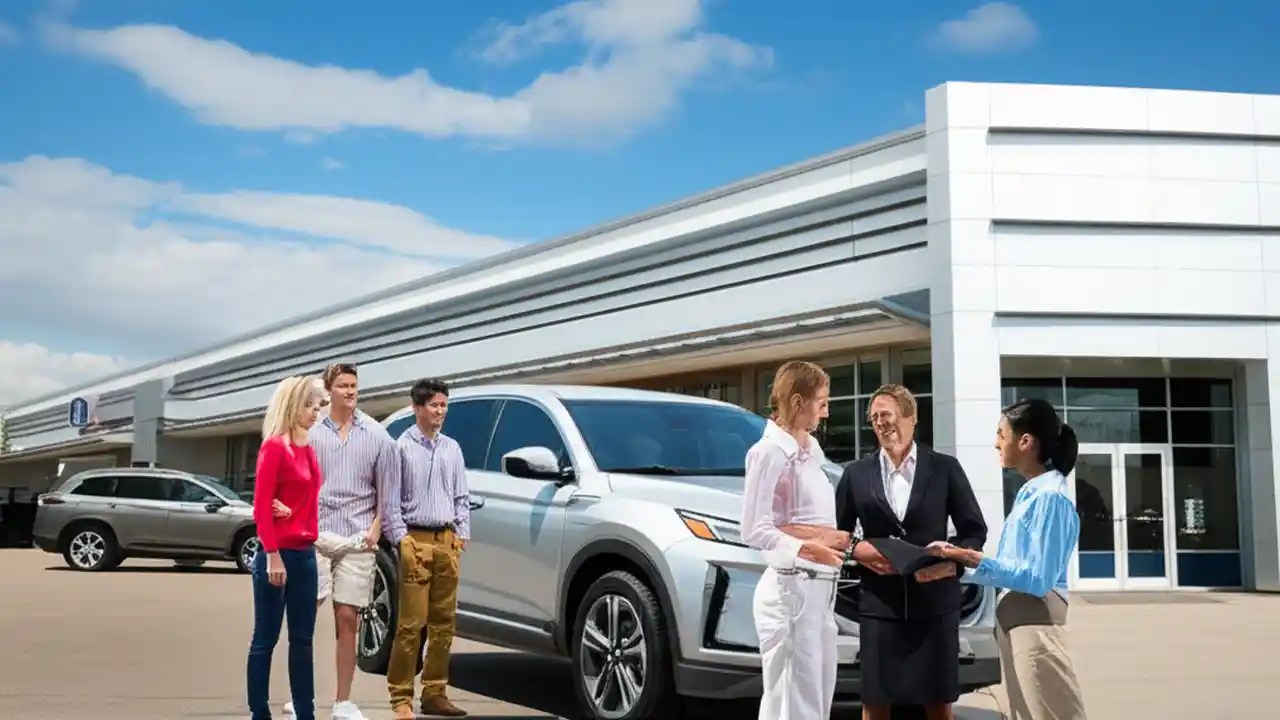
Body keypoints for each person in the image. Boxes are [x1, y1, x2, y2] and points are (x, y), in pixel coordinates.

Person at [927, 398, 1088, 720]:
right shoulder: (1032, 494)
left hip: (1035, 625)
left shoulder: (1050, 499)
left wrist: (970, 558)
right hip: (1020, 624)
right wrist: (958, 568)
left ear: (1026, 441)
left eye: (1001, 434)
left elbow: (1037, 578)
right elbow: (1012, 568)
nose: (996, 443)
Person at [835, 384, 987, 720]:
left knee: (938, 705)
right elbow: (837, 536)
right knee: (875, 703)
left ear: (910, 417)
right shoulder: (856, 474)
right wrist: (857, 551)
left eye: (885, 415)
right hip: (879, 607)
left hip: (934, 606)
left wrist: (953, 564)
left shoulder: (945, 468)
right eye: (874, 418)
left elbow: (974, 531)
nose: (879, 423)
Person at [283, 363, 399, 720]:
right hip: (314, 535)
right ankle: (300, 697)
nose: (350, 391)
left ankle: (343, 702)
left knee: (348, 618)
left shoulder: (377, 435)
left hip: (357, 538)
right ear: (328, 389)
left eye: (354, 385)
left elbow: (387, 490)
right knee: (304, 615)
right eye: (343, 385)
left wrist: (377, 528)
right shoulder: (309, 430)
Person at [742, 361, 850, 720]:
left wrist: (827, 538)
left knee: (815, 704)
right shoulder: (768, 453)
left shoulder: (810, 454)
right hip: (790, 594)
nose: (826, 411)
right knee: (792, 706)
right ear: (798, 401)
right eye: (822, 402)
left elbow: (799, 520)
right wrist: (809, 547)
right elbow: (754, 528)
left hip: (820, 593)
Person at [381, 378, 472, 719]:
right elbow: (389, 501)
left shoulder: (452, 448)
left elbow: (461, 495)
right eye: (434, 405)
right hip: (414, 539)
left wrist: (461, 535)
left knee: (444, 623)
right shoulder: (400, 448)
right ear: (416, 408)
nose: (440, 411)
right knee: (410, 624)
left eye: (444, 405)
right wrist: (401, 540)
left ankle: (435, 692)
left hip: (447, 540)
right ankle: (401, 697)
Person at [246, 376, 327, 720]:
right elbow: (260, 507)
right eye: (308, 405)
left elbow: (306, 499)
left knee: (303, 640)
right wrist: (273, 554)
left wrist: (291, 512)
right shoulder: (274, 447)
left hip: (306, 554)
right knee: (266, 638)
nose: (315, 412)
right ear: (291, 405)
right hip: (276, 555)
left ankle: (306, 713)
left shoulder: (308, 449)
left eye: (317, 406)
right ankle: (259, 712)